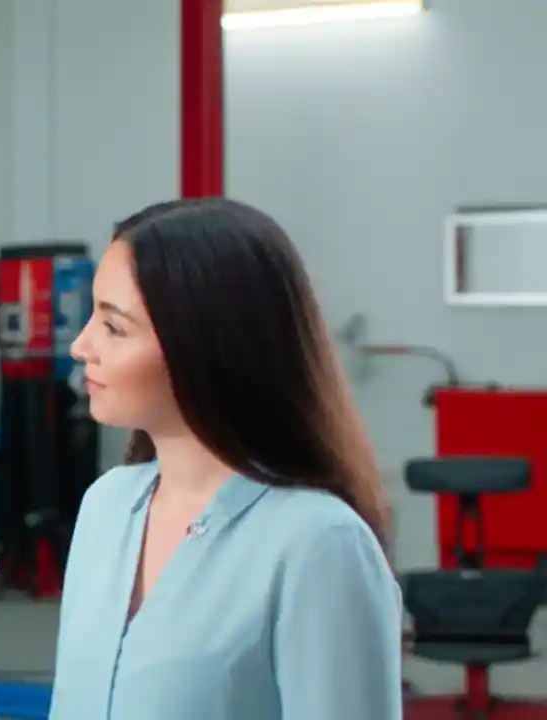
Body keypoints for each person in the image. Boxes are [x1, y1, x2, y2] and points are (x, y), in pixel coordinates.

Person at [49, 198, 403, 720]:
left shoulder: (317, 544)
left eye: (115, 328)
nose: (82, 346)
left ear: (204, 344)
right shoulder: (107, 506)